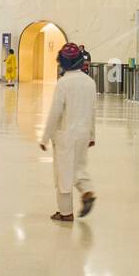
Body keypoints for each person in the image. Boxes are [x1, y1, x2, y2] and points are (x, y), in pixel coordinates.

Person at [39, 43, 97, 222]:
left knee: (63, 173)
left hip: (65, 135)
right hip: (83, 133)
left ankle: (65, 212)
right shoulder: (90, 82)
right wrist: (92, 135)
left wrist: (45, 137)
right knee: (79, 167)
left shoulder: (63, 83)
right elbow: (92, 110)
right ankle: (87, 191)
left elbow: (55, 112)